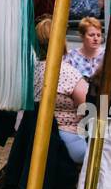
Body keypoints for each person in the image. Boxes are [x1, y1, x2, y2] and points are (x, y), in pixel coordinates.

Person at [32, 16, 90, 164]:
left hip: (36, 137)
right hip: (68, 139)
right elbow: (88, 108)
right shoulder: (67, 73)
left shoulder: (33, 71)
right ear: (60, 40)